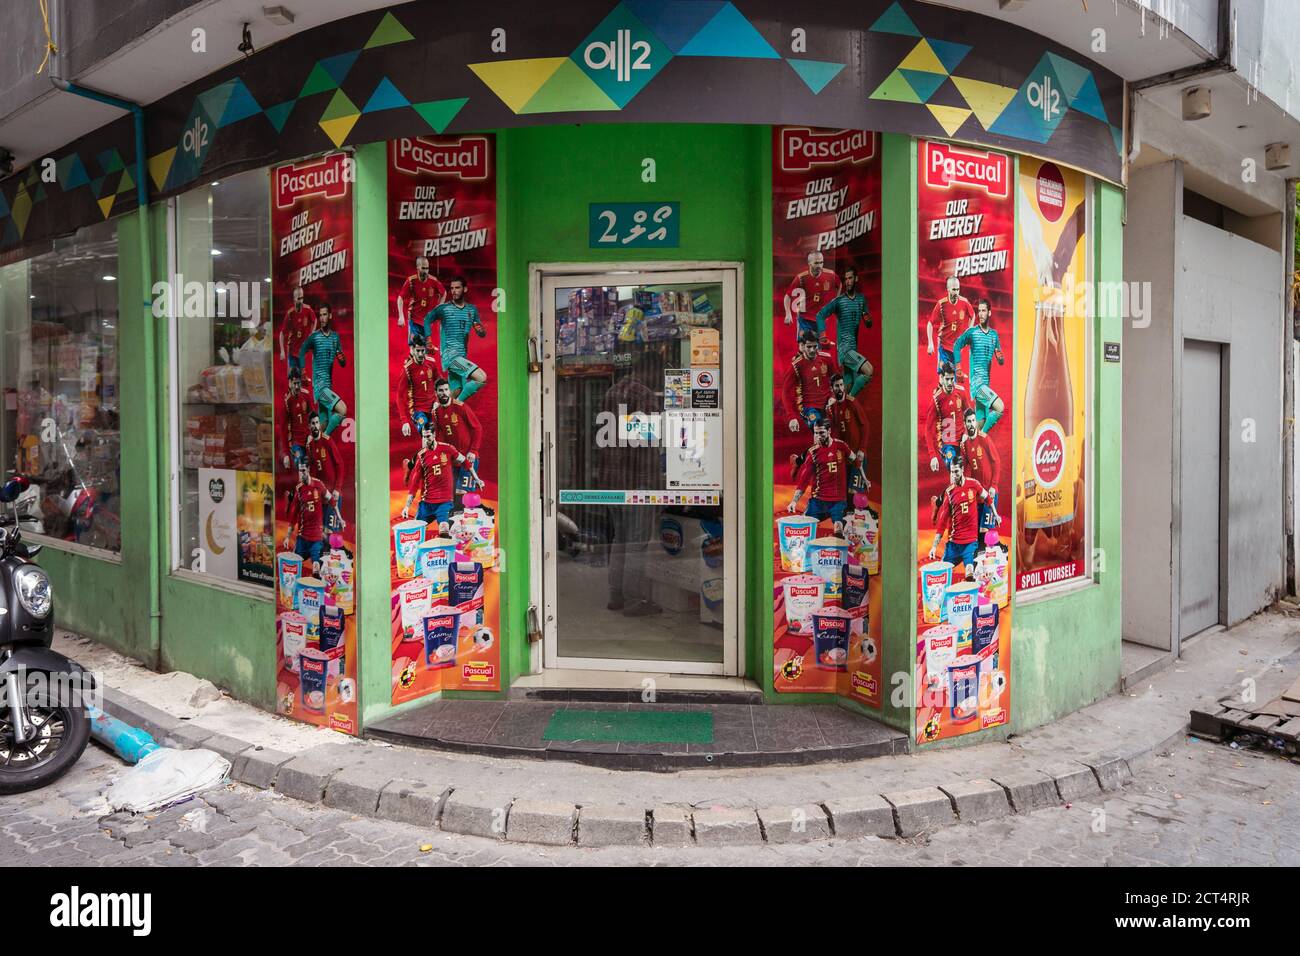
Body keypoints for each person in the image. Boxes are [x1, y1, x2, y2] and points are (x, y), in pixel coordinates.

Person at [422, 276, 487, 402]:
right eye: (452, 288)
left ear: (465, 289)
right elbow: (427, 319)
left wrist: (481, 331)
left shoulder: (472, 310)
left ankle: (438, 413)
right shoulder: (444, 309)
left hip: (461, 356)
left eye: (457, 288)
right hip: (450, 356)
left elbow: (481, 332)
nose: (454, 291)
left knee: (456, 391)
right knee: (481, 378)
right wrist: (428, 340)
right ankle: (458, 405)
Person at [927, 458, 993, 576]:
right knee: (940, 574)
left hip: (970, 543)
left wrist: (996, 514)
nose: (953, 475)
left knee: (970, 574)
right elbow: (942, 523)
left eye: (956, 472)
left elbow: (987, 497)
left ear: (962, 470)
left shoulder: (973, 484)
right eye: (951, 472)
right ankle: (936, 505)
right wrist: (934, 546)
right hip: (954, 545)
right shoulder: (950, 492)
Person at [815, 263, 873, 396]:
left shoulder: (861, 299)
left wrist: (868, 319)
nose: (847, 281)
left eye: (850, 278)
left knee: (848, 385)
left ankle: (842, 406)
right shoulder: (839, 301)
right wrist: (822, 336)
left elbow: (868, 323)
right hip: (845, 349)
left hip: (853, 348)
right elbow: (820, 315)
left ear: (856, 279)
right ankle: (850, 401)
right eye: (846, 279)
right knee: (868, 371)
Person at [787, 420, 853, 534]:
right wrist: (794, 501)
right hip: (818, 501)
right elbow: (804, 479)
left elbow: (856, 461)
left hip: (837, 501)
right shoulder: (813, 452)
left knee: (839, 531)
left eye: (821, 433)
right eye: (815, 433)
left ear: (829, 431)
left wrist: (863, 480)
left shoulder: (841, 446)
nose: (818, 436)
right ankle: (797, 462)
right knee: (802, 529)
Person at [400, 423, 466, 535]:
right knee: (422, 459)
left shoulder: (447, 446)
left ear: (435, 435)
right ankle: (409, 466)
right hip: (427, 502)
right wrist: (407, 506)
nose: (425, 439)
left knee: (444, 530)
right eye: (423, 437)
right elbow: (414, 484)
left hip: (443, 500)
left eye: (428, 436)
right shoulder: (423, 452)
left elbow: (462, 461)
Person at [952, 297, 1006, 432]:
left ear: (989, 313)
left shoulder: (994, 335)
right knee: (999, 407)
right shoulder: (972, 333)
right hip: (977, 384)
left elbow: (1001, 360)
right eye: (979, 311)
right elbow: (957, 345)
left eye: (983, 311)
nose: (980, 314)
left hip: (986, 384)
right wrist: (958, 367)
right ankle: (983, 436)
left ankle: (968, 445)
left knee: (980, 421)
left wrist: (1000, 358)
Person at [298, 303, 347, 435]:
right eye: (320, 315)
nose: (322, 318)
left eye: (325, 314)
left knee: (323, 424)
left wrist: (342, 359)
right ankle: (325, 438)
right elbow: (302, 351)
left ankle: (315, 446)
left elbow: (343, 362)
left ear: (330, 316)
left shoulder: (335, 337)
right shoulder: (314, 337)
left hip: (328, 386)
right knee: (342, 409)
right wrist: (303, 372)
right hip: (320, 387)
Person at [431, 378, 482, 497]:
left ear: (449, 391)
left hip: (468, 457)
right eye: (440, 390)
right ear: (436, 392)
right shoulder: (436, 412)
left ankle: (473, 512)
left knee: (462, 493)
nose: (444, 393)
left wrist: (473, 450)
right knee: (448, 493)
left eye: (446, 390)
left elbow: (477, 428)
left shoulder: (461, 407)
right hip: (453, 459)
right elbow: (438, 436)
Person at [781, 330, 839, 434]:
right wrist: (791, 417)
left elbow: (836, 380)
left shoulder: (826, 358)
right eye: (808, 347)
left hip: (827, 405)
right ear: (802, 346)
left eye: (815, 346)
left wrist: (833, 396)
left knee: (835, 433)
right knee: (820, 429)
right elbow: (785, 392)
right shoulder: (796, 366)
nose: (812, 350)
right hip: (809, 408)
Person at [958, 407, 1002, 539]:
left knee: (984, 529)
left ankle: (993, 552)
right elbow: (964, 469)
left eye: (973, 421)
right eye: (968, 421)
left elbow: (997, 462)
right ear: (965, 423)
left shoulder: (984, 439)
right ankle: (979, 556)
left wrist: (994, 486)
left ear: (976, 422)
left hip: (990, 491)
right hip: (977, 494)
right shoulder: (964, 445)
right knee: (975, 529)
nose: (971, 424)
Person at [923, 362, 972, 474]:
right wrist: (932, 456)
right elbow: (928, 429)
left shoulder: (961, 392)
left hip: (963, 441)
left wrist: (966, 433)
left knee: (970, 471)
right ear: (941, 378)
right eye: (947, 379)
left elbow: (969, 415)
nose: (950, 383)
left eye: (952, 379)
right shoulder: (937, 399)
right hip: (948, 445)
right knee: (954, 466)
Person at [283, 460, 329, 574]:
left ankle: (317, 585)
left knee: (316, 569)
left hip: (316, 538)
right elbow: (293, 516)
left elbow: (330, 499)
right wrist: (287, 537)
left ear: (308, 470)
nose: (301, 473)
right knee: (293, 566)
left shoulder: (318, 484)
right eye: (299, 471)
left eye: (303, 470)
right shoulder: (299, 489)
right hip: (303, 538)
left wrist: (329, 522)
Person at [826, 372, 868, 494]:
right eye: (836, 386)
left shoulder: (852, 402)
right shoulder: (831, 407)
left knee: (853, 491)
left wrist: (862, 449)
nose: (840, 388)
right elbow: (831, 431)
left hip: (857, 453)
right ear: (832, 388)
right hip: (843, 455)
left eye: (841, 385)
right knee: (841, 490)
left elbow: (865, 426)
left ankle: (865, 511)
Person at [783, 251, 840, 340]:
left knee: (816, 348)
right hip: (804, 318)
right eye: (816, 263)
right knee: (804, 345)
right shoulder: (801, 278)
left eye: (821, 262)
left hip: (821, 320)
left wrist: (837, 300)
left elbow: (839, 284)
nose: (819, 266)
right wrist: (788, 313)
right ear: (809, 263)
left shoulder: (831, 275)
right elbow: (787, 296)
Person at [305, 412, 344, 532]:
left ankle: (335, 550)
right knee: (320, 533)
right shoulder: (310, 446)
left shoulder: (327, 441)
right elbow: (313, 472)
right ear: (309, 426)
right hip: (320, 497)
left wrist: (337, 488)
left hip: (332, 493)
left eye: (317, 423)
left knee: (331, 532)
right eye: (313, 423)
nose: (315, 426)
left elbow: (340, 465)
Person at [926, 276, 974, 375]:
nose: (956, 292)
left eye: (958, 289)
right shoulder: (941, 304)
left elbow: (973, 315)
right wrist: (930, 343)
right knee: (944, 374)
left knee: (953, 378)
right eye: (954, 289)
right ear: (948, 289)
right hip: (943, 345)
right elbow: (930, 323)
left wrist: (969, 330)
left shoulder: (964, 302)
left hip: (956, 348)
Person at [395, 336, 438, 438]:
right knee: (427, 432)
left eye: (422, 351)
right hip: (418, 411)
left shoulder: (431, 363)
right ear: (412, 350)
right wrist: (404, 420)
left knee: (437, 436)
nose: (420, 354)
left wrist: (437, 401)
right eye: (417, 350)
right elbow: (400, 396)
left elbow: (439, 384)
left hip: (433, 408)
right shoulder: (408, 369)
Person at [396, 256, 446, 344]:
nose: (426, 271)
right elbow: (400, 298)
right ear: (417, 267)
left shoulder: (433, 281)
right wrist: (401, 316)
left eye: (427, 268)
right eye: (423, 268)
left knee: (423, 348)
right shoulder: (411, 281)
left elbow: (444, 293)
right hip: (414, 319)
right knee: (415, 343)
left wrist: (440, 307)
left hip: (427, 322)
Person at [278, 368, 312, 471]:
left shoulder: (306, 396)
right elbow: (283, 430)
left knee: (312, 468)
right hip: (296, 443)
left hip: (308, 441)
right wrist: (285, 454)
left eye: (299, 383)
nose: (297, 386)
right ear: (289, 383)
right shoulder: (286, 402)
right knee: (301, 464)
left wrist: (311, 434)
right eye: (294, 383)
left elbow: (313, 416)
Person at [279, 286, 316, 376]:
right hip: (292, 349)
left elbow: (315, 320)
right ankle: (292, 386)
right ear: (294, 299)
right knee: (292, 375)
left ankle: (299, 385)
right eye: (299, 298)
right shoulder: (290, 314)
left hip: (303, 350)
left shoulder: (308, 310)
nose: (301, 300)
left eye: (302, 297)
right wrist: (282, 351)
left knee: (301, 374)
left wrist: (312, 332)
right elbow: (281, 333)